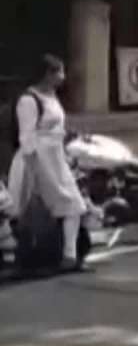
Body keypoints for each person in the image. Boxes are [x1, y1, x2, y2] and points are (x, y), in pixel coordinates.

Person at [6, 55, 94, 271]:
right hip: (37, 160)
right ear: (48, 73)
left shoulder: (51, 96)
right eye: (59, 72)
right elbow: (27, 137)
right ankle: (26, 256)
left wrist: (68, 137)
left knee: (73, 206)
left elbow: (54, 128)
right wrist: (34, 170)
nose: (63, 77)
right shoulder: (29, 99)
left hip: (55, 159)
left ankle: (69, 257)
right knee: (24, 211)